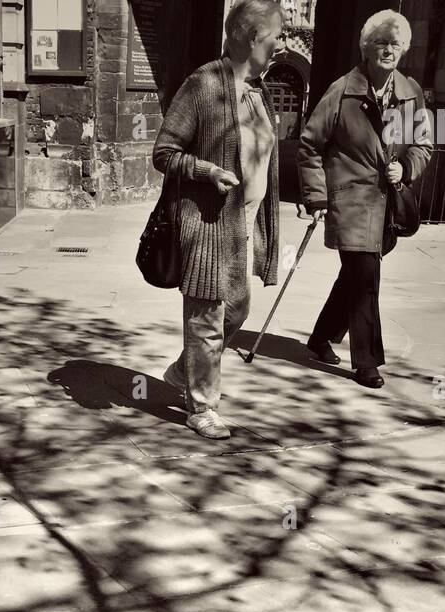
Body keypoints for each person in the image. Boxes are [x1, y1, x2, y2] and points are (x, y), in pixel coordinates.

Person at [153, 0, 284, 440]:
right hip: (207, 222)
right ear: (251, 39)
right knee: (208, 315)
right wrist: (206, 171)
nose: (280, 46)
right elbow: (164, 152)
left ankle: (184, 370)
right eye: (274, 38)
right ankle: (202, 407)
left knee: (238, 309)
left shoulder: (256, 91)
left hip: (241, 222)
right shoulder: (204, 84)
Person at [298, 9, 432, 389]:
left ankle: (321, 337)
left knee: (355, 276)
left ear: (403, 48)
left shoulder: (411, 93)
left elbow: (423, 144)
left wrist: (405, 168)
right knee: (367, 278)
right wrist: (316, 195)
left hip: (386, 205)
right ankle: (366, 362)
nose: (388, 50)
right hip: (350, 200)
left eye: (395, 43)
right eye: (380, 42)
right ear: (366, 47)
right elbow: (309, 145)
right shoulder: (342, 90)